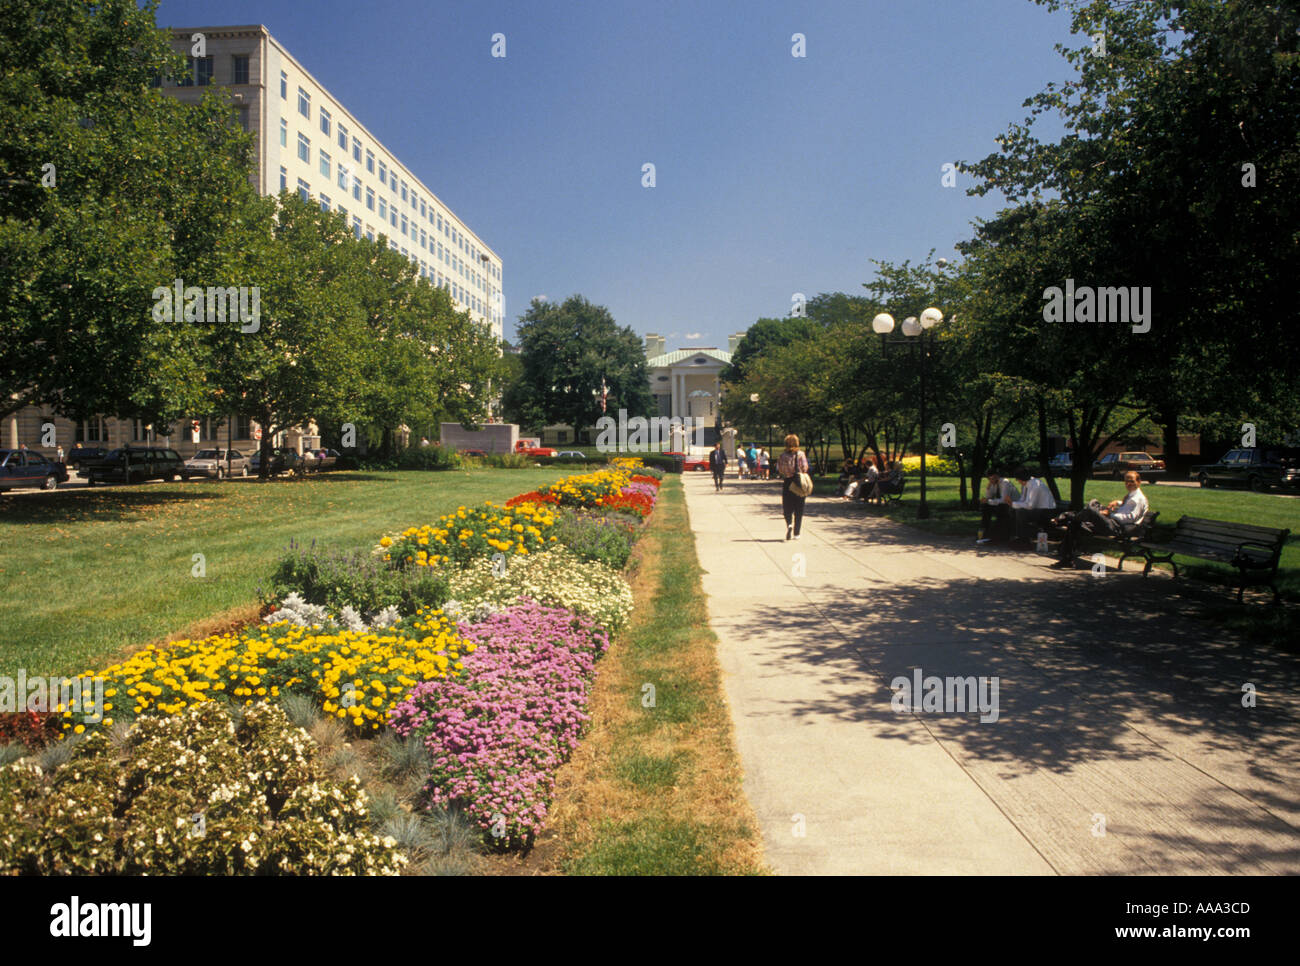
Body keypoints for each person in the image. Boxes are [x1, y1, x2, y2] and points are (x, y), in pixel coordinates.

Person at [1050, 470, 1149, 568]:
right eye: (1126, 481)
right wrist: (1117, 503)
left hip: (1117, 528)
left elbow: (1131, 518)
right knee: (1075, 524)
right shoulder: (1132, 496)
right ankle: (1066, 560)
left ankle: (1064, 518)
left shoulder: (1139, 498)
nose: (1128, 483)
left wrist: (1109, 514)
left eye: (1131, 481)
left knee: (1091, 508)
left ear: (1139, 482)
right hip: (1111, 524)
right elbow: (1125, 508)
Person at [1007, 466, 1057, 547]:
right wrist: (1012, 504)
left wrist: (1013, 504)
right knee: (1013, 509)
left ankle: (1024, 540)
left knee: (1021, 512)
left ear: (1020, 479)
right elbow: (1022, 500)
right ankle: (1016, 536)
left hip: (1046, 511)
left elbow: (1030, 505)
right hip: (1037, 509)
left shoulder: (1035, 485)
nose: (1018, 481)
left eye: (1017, 479)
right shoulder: (1025, 484)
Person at [776, 434, 811, 540]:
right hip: (799, 482)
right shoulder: (801, 454)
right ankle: (797, 533)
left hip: (788, 482)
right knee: (799, 508)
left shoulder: (782, 456)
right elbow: (805, 468)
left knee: (787, 507)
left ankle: (789, 524)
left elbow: (780, 470)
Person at [976, 468, 1019, 544]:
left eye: (993, 478)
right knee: (985, 507)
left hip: (1012, 506)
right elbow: (988, 497)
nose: (991, 480)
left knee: (1000, 508)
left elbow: (1003, 500)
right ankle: (985, 532)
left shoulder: (1005, 483)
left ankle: (997, 535)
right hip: (1002, 505)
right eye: (990, 478)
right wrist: (988, 488)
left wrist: (989, 501)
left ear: (997, 476)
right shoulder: (993, 484)